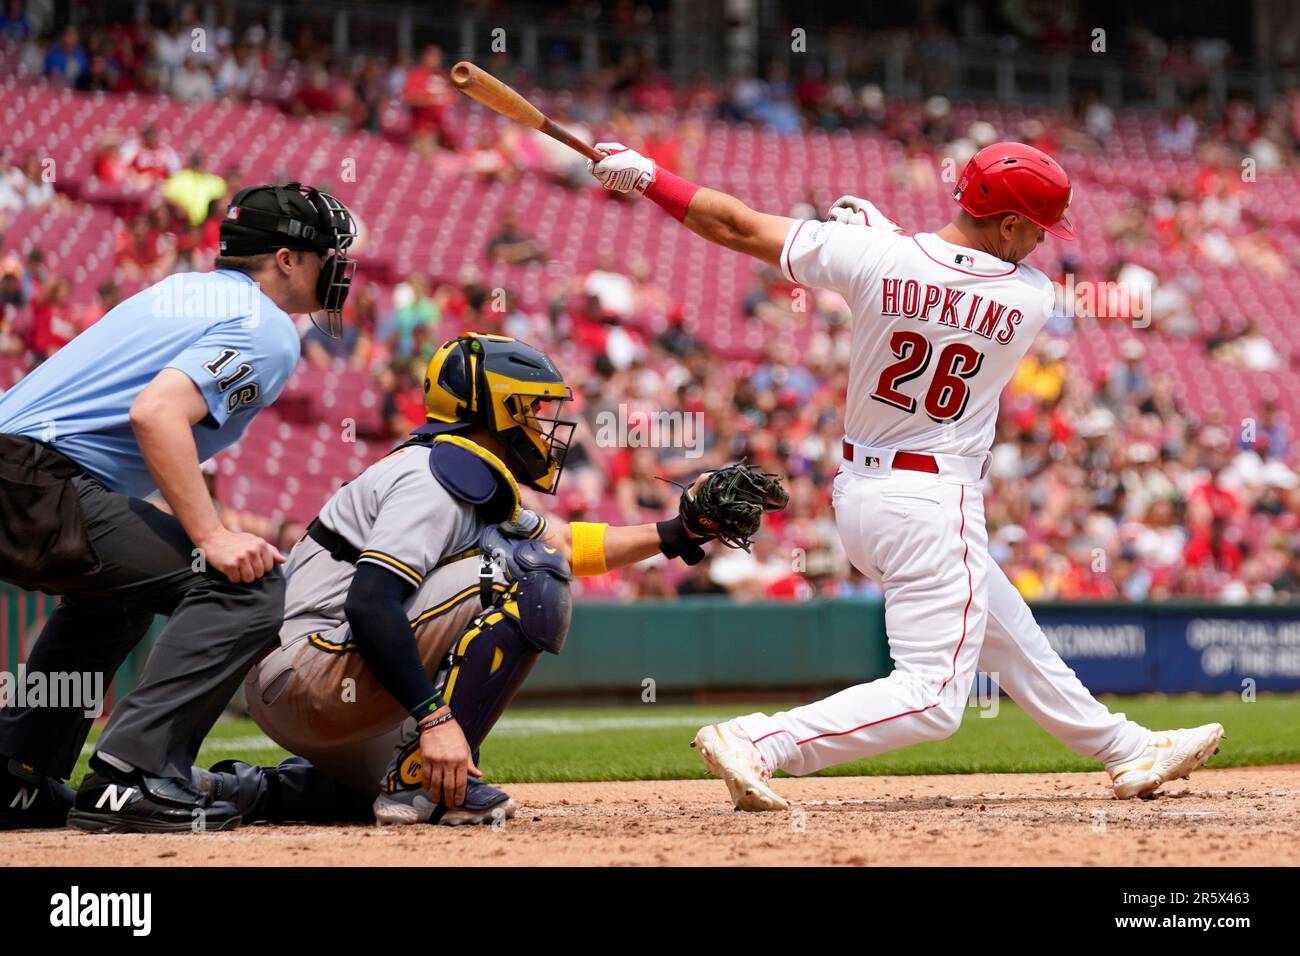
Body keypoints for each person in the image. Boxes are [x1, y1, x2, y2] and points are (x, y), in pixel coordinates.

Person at [587, 140, 1224, 810]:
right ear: (1008, 225)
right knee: (933, 699)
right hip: (933, 499)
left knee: (1008, 635)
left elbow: (739, 225)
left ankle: (1127, 749)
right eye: (1036, 227)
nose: (1041, 243)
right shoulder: (1028, 296)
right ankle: (762, 740)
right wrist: (881, 231)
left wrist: (651, 178)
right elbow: (942, 277)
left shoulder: (875, 257)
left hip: (862, 498)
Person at [192, 333, 783, 825]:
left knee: (357, 801)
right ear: (497, 410)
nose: (545, 426)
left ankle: (241, 790)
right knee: (530, 573)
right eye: (532, 408)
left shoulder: (465, 472)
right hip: (311, 669)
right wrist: (435, 719)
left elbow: (568, 545)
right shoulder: (433, 478)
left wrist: (674, 534)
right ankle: (421, 775)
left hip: (319, 684)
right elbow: (372, 602)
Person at [0, 182, 358, 833]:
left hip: (23, 473)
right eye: (327, 253)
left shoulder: (183, 293)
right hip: (33, 481)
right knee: (247, 587)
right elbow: (156, 412)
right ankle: (131, 774)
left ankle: (14, 774)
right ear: (285, 259)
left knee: (117, 596)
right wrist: (212, 535)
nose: (338, 267)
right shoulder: (270, 327)